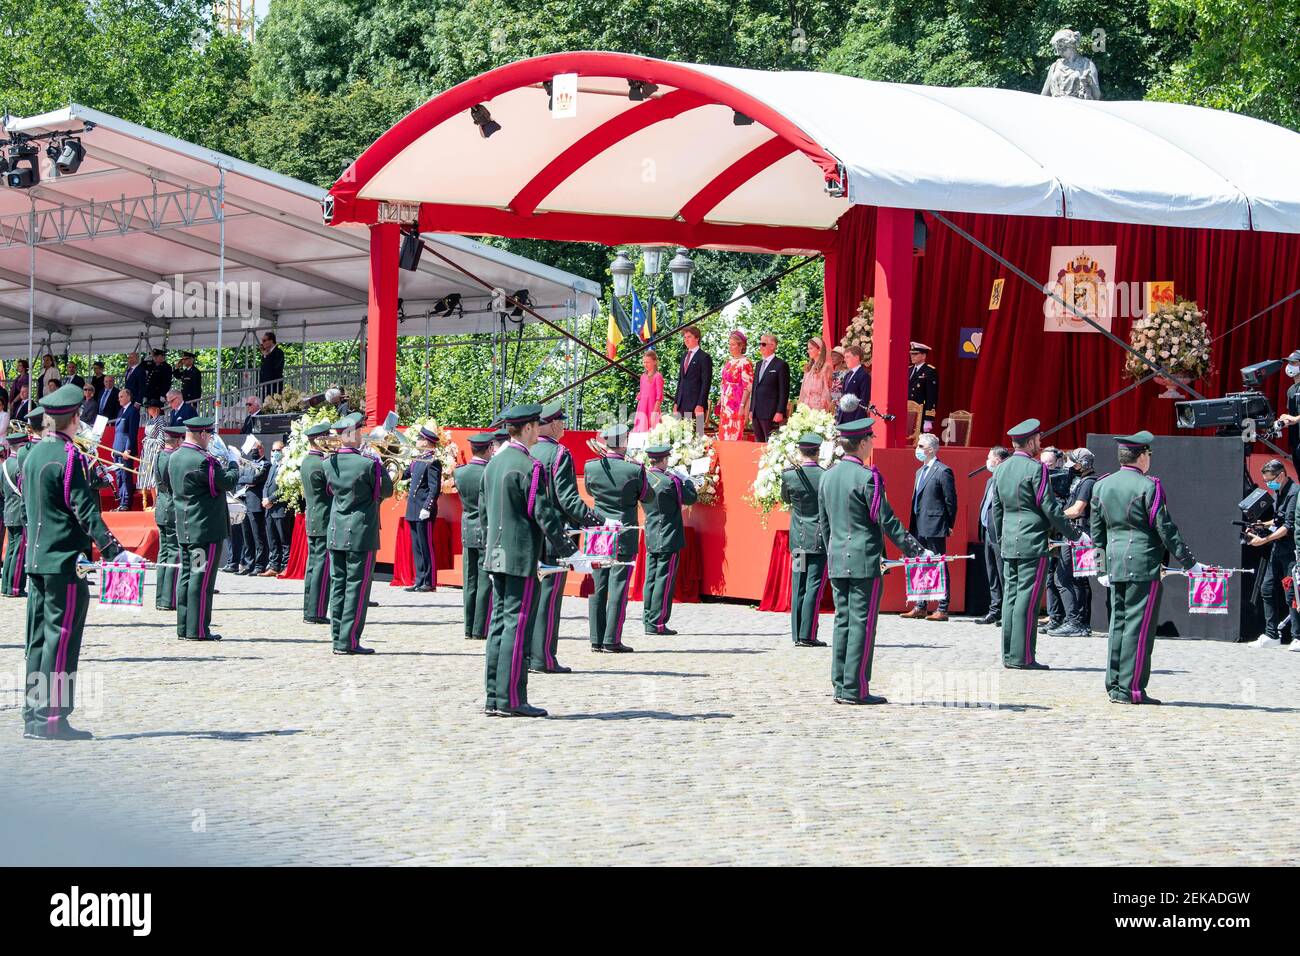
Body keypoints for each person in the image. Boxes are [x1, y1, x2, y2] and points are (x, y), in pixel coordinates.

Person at [21, 385, 141, 740]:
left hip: (37, 557)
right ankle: (52, 719)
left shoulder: (32, 455)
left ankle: (33, 714)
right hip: (64, 560)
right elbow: (84, 508)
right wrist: (114, 550)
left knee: (38, 639)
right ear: (75, 418)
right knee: (61, 638)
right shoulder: (69, 455)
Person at [818, 416, 928, 705]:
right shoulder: (867, 477)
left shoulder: (827, 476)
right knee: (863, 624)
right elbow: (887, 521)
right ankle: (856, 688)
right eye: (871, 441)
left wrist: (833, 552)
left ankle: (841, 683)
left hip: (838, 557)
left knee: (843, 621)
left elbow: (825, 524)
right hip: (865, 559)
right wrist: (917, 552)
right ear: (863, 443)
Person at [1090, 431, 1202, 703]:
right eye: (1148, 454)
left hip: (1115, 564)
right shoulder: (1148, 486)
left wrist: (1101, 567)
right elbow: (1165, 528)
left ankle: (1115, 684)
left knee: (1118, 624)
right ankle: (1132, 689)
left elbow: (1097, 532)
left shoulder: (1101, 485)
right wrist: (1189, 562)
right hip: (1142, 563)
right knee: (1139, 629)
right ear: (1142, 456)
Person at [481, 404, 576, 717]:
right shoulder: (528, 465)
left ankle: (494, 697)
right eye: (536, 425)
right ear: (528, 429)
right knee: (516, 625)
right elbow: (543, 513)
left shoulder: (493, 464)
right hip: (519, 554)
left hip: (495, 552)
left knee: (498, 625)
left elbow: (485, 513)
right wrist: (568, 550)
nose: (538, 430)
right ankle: (511, 699)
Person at [990, 419, 1082, 670]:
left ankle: (1010, 654)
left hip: (1009, 541)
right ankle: (1023, 657)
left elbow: (996, 510)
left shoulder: (1001, 469)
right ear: (1030, 442)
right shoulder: (1036, 469)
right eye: (1038, 440)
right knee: (1027, 600)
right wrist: (1074, 535)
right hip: (1032, 541)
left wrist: (1001, 539)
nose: (1039, 444)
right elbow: (1049, 506)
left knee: (1011, 597)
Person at [528, 403, 605, 671]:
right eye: (561, 420)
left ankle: (526, 655)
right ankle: (543, 657)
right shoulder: (559, 453)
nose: (564, 425)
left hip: (530, 535)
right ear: (551, 423)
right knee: (549, 600)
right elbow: (569, 500)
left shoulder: (527, 450)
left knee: (530, 598)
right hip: (555, 536)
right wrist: (598, 521)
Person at [325, 411, 394, 655]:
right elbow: (385, 491)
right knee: (357, 586)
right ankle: (349, 641)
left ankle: (337, 638)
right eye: (360, 430)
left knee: (338, 585)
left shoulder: (328, 463)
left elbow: (331, 491)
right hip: (360, 532)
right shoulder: (369, 464)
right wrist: (378, 462)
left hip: (336, 530)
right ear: (352, 434)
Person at [584, 424, 654, 653]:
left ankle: (596, 638)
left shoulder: (591, 467)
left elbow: (590, 491)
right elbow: (647, 495)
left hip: (599, 531)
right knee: (618, 587)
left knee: (598, 585)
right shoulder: (634, 469)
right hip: (624, 531)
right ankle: (611, 639)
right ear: (623, 442)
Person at [170, 417, 240, 641]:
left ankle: (184, 626)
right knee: (201, 579)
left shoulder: (175, 456)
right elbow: (226, 483)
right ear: (201, 434)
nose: (209, 439)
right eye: (208, 435)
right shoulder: (204, 461)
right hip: (205, 530)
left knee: (187, 576)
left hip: (185, 527)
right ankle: (197, 629)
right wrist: (233, 463)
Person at [642, 443, 699, 636]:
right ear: (665, 459)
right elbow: (691, 498)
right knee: (664, 579)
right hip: (669, 534)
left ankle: (648, 618)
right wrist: (687, 481)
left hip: (651, 532)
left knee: (651, 578)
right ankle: (658, 622)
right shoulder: (670, 481)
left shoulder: (645, 477)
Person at [901, 432, 958, 621]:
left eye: (920, 446)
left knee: (938, 563)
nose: (917, 449)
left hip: (935, 524)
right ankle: (920, 605)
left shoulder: (943, 471)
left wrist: (948, 524)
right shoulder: (920, 471)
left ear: (931, 449)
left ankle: (942, 607)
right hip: (918, 524)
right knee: (919, 563)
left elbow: (951, 501)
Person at [1245, 459, 1299, 648]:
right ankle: (1271, 634)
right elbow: (1278, 519)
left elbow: (1287, 526)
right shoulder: (1279, 491)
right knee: (1266, 588)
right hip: (1278, 548)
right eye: (1267, 481)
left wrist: (1264, 540)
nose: (1269, 484)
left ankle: (1297, 636)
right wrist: (1262, 525)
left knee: (1291, 593)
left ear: (1281, 475)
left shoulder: (1294, 492)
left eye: (1270, 480)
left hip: (1291, 551)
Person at [781, 432, 829, 646]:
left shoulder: (789, 475)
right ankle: (807, 634)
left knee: (798, 584)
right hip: (818, 541)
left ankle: (796, 634)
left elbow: (785, 499)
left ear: (800, 452)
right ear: (817, 452)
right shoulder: (825, 475)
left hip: (798, 540)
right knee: (814, 586)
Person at [1050, 448, 1098, 637]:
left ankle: (1074, 621)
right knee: (1079, 580)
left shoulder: (1087, 482)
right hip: (1081, 535)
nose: (1072, 467)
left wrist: (1054, 516)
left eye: (1075, 463)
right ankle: (1081, 622)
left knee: (1063, 578)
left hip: (1077, 535)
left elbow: (1077, 510)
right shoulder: (1085, 480)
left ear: (1082, 464)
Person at [455, 432, 494, 639]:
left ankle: (469, 627)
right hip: (486, 529)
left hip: (467, 529)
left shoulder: (460, 472)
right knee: (484, 581)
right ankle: (481, 628)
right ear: (488, 449)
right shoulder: (489, 472)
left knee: (469, 582)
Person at [300, 422, 334, 624]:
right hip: (324, 518)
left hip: (313, 516)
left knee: (313, 566)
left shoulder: (307, 461)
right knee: (321, 566)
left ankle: (310, 609)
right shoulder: (322, 464)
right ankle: (317, 611)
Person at [402, 426, 443, 593]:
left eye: (419, 439)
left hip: (423, 510)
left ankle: (430, 581)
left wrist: (427, 507)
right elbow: (404, 474)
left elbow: (434, 488)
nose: (416, 442)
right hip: (413, 508)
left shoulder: (433, 462)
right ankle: (419, 580)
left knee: (426, 546)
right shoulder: (418, 460)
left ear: (426, 442)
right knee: (417, 547)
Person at [153, 426, 186, 612]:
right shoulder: (173, 458)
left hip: (161, 508)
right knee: (173, 553)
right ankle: (168, 599)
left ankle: (160, 597)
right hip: (172, 509)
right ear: (178, 441)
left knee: (163, 553)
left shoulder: (158, 455)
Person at [976, 446, 1011, 625]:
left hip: (1000, 533)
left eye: (989, 458)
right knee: (992, 574)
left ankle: (1006, 612)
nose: (987, 461)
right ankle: (995, 609)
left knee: (1003, 572)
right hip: (987, 532)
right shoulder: (991, 480)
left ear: (997, 460)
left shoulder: (1006, 479)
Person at [1, 428, 31, 598]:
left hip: (8, 511)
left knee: (11, 551)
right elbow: (24, 489)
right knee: (19, 553)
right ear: (21, 446)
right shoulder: (20, 465)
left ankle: (6, 585)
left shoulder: (4, 465)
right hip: (20, 512)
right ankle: (15, 588)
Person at [238, 438, 270, 575]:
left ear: (261, 449)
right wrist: (248, 481)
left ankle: (260, 565)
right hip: (245, 503)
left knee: (259, 537)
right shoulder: (249, 464)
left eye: (255, 449)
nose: (253, 452)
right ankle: (248, 564)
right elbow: (241, 478)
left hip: (256, 504)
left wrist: (249, 481)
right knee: (247, 537)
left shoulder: (266, 464)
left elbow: (256, 479)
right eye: (251, 450)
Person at [750, 332, 790, 442]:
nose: (760, 347)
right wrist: (751, 409)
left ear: (772, 346)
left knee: (771, 443)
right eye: (760, 344)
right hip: (756, 412)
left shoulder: (781, 365)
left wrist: (780, 411)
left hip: (771, 413)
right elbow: (755, 388)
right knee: (758, 443)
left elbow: (784, 391)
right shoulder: (758, 364)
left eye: (763, 344)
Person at [673, 326, 712, 432]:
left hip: (696, 406)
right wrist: (676, 402)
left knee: (697, 438)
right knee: (680, 438)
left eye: (689, 337)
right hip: (681, 405)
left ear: (697, 338)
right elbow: (681, 380)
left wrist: (700, 404)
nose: (686, 339)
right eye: (684, 337)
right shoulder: (684, 355)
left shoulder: (704, 357)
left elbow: (706, 383)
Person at [715, 330, 753, 441]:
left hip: (736, 404)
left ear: (741, 346)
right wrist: (720, 399)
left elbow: (748, 387)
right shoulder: (729, 362)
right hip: (725, 404)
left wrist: (742, 406)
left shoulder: (745, 362)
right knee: (723, 434)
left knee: (733, 434)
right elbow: (724, 383)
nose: (730, 347)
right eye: (729, 344)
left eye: (733, 344)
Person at [263, 440, 292, 575]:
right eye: (273, 450)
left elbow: (285, 488)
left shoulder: (287, 467)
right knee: (272, 540)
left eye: (278, 450)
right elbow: (267, 485)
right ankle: (274, 566)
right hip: (269, 509)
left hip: (280, 509)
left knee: (284, 540)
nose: (275, 453)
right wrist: (264, 498)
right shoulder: (273, 467)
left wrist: (271, 499)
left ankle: (286, 566)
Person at [111, 388, 139, 512]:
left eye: (121, 396)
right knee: (118, 476)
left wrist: (128, 449)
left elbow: (132, 433)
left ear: (128, 397)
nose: (119, 399)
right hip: (117, 449)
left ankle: (126, 503)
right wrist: (114, 448)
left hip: (125, 450)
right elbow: (118, 432)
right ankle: (122, 502)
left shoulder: (133, 411)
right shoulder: (121, 411)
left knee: (125, 476)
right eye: (119, 397)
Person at [136, 399, 165, 508]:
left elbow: (162, 437)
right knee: (148, 477)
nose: (148, 410)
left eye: (149, 407)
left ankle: (158, 503)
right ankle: (154, 502)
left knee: (154, 477)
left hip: (155, 451)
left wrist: (157, 451)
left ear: (156, 409)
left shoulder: (161, 420)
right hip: (147, 451)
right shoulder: (149, 421)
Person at [907, 343, 939, 432]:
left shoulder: (929, 371)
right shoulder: (908, 370)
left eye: (915, 354)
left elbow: (931, 396)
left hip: (921, 413)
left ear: (923, 355)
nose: (912, 356)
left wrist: (928, 418)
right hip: (907, 412)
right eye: (911, 354)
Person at [798, 336, 832, 413]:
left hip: (818, 408)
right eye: (808, 348)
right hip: (805, 407)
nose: (808, 351)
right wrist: (801, 405)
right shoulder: (809, 367)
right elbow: (803, 390)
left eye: (811, 348)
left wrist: (822, 409)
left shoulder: (826, 367)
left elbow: (827, 390)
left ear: (819, 349)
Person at [836, 346, 870, 422]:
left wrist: (857, 423)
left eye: (847, 357)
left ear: (856, 358)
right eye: (845, 357)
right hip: (843, 418)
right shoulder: (847, 375)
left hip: (855, 420)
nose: (845, 360)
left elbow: (863, 401)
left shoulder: (864, 376)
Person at [633, 350, 664, 433]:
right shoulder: (643, 376)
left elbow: (659, 397)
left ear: (654, 362)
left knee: (652, 434)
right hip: (642, 409)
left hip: (652, 408)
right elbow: (642, 393)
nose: (645, 364)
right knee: (640, 434)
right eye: (644, 362)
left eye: (648, 362)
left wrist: (654, 413)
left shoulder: (658, 376)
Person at [259, 332, 284, 397]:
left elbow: (274, 367)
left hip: (275, 385)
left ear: (271, 341)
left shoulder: (279, 352)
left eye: (264, 340)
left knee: (274, 405)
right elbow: (263, 368)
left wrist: (266, 356)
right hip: (265, 385)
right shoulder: (265, 353)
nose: (262, 343)